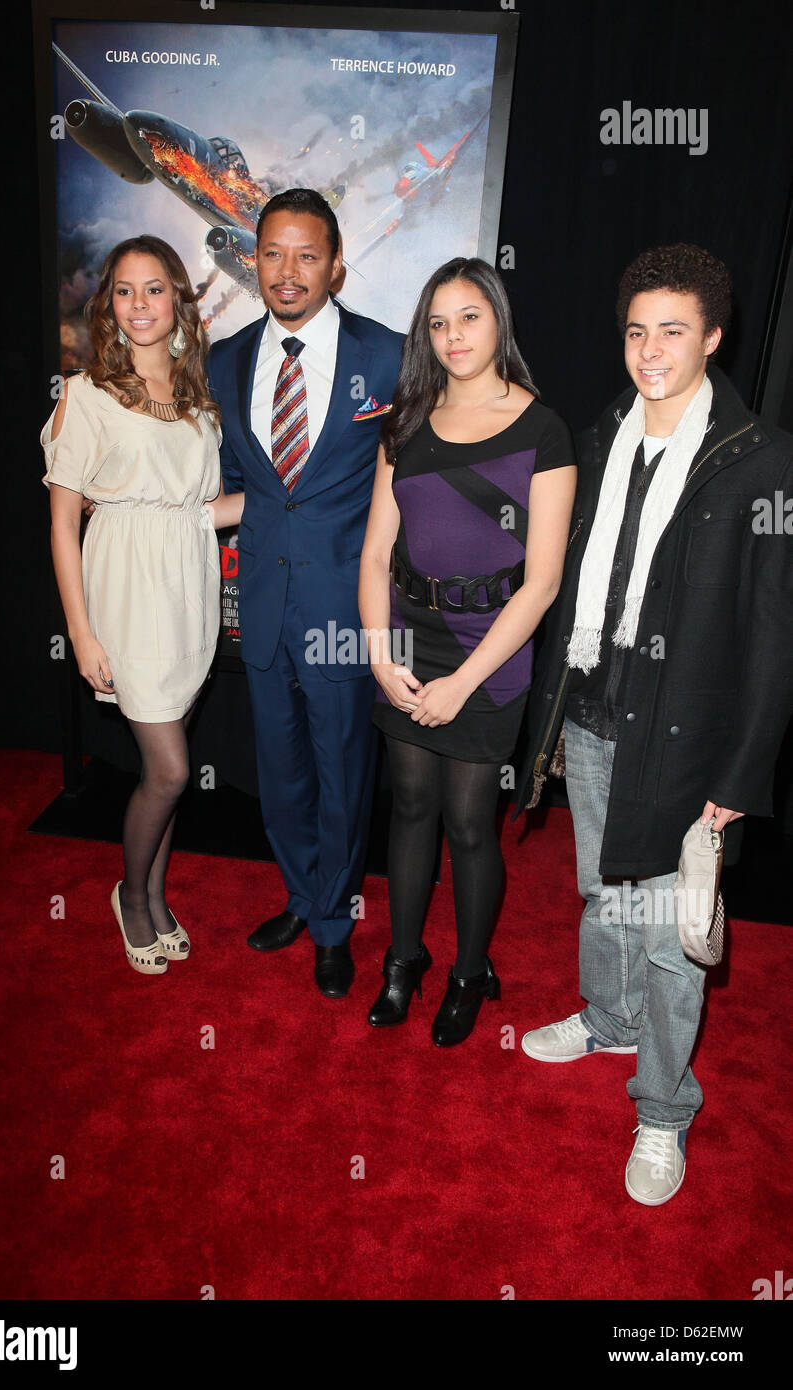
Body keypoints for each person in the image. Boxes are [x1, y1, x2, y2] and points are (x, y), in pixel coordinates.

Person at [516, 244, 793, 1202]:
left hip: (689, 740)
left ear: (713, 338)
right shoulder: (603, 434)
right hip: (595, 708)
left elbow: (772, 640)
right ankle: (608, 1018)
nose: (650, 350)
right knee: (603, 890)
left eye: (672, 330)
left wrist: (738, 779)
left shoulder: (760, 459)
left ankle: (663, 1110)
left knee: (677, 938)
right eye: (636, 330)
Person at [358, 258, 577, 1044]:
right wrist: (379, 654)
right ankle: (402, 961)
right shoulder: (403, 421)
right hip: (407, 636)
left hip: (492, 648)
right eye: (439, 322)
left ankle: (469, 972)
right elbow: (376, 550)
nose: (453, 336)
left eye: (469, 317)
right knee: (409, 804)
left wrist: (462, 683)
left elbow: (542, 583)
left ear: (498, 322)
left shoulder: (543, 430)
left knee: (467, 823)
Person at [207, 188, 403, 999]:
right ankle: (298, 894)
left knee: (341, 766)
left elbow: (412, 486)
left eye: (306, 255)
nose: (288, 272)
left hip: (342, 609)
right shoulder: (224, 358)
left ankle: (333, 920)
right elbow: (234, 486)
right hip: (260, 602)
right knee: (281, 769)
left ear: (336, 266)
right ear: (254, 260)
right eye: (273, 254)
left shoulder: (387, 357)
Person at [42, 234, 243, 975]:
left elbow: (197, 510)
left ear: (178, 298)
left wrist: (293, 500)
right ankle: (130, 896)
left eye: (153, 288)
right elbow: (65, 524)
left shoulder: (197, 398)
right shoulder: (86, 393)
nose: (138, 305)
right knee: (169, 772)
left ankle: (156, 894)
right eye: (123, 291)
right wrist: (81, 631)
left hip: (188, 591)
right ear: (109, 306)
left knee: (169, 767)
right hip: (123, 595)